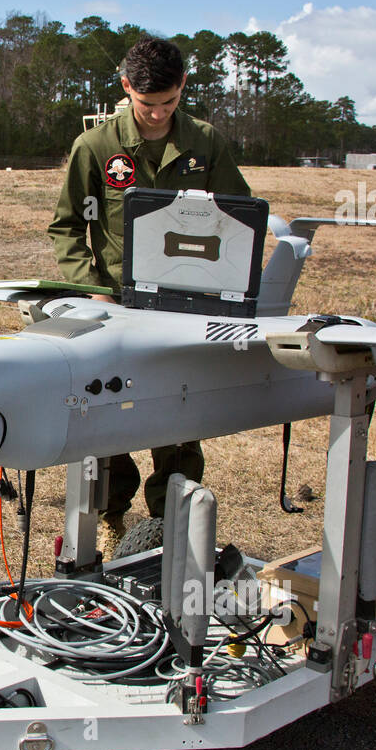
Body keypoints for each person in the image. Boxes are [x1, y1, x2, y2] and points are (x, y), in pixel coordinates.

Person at [47, 37, 251, 552]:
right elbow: (67, 228)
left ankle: (173, 526)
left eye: (168, 103)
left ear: (182, 87)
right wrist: (93, 292)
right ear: (125, 87)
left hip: (185, 309)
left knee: (180, 418)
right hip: (117, 308)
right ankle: (111, 515)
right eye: (146, 105)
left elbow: (240, 218)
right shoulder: (94, 148)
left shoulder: (207, 144)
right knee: (109, 414)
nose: (158, 115)